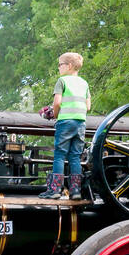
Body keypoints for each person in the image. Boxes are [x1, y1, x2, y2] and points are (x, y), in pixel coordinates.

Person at [39, 51, 92, 198]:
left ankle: (55, 190)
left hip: (65, 122)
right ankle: (75, 191)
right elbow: (88, 107)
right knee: (75, 157)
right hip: (80, 123)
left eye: (60, 65)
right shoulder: (84, 83)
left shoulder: (62, 81)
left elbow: (57, 102)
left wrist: (55, 114)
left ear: (68, 66)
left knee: (60, 155)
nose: (59, 68)